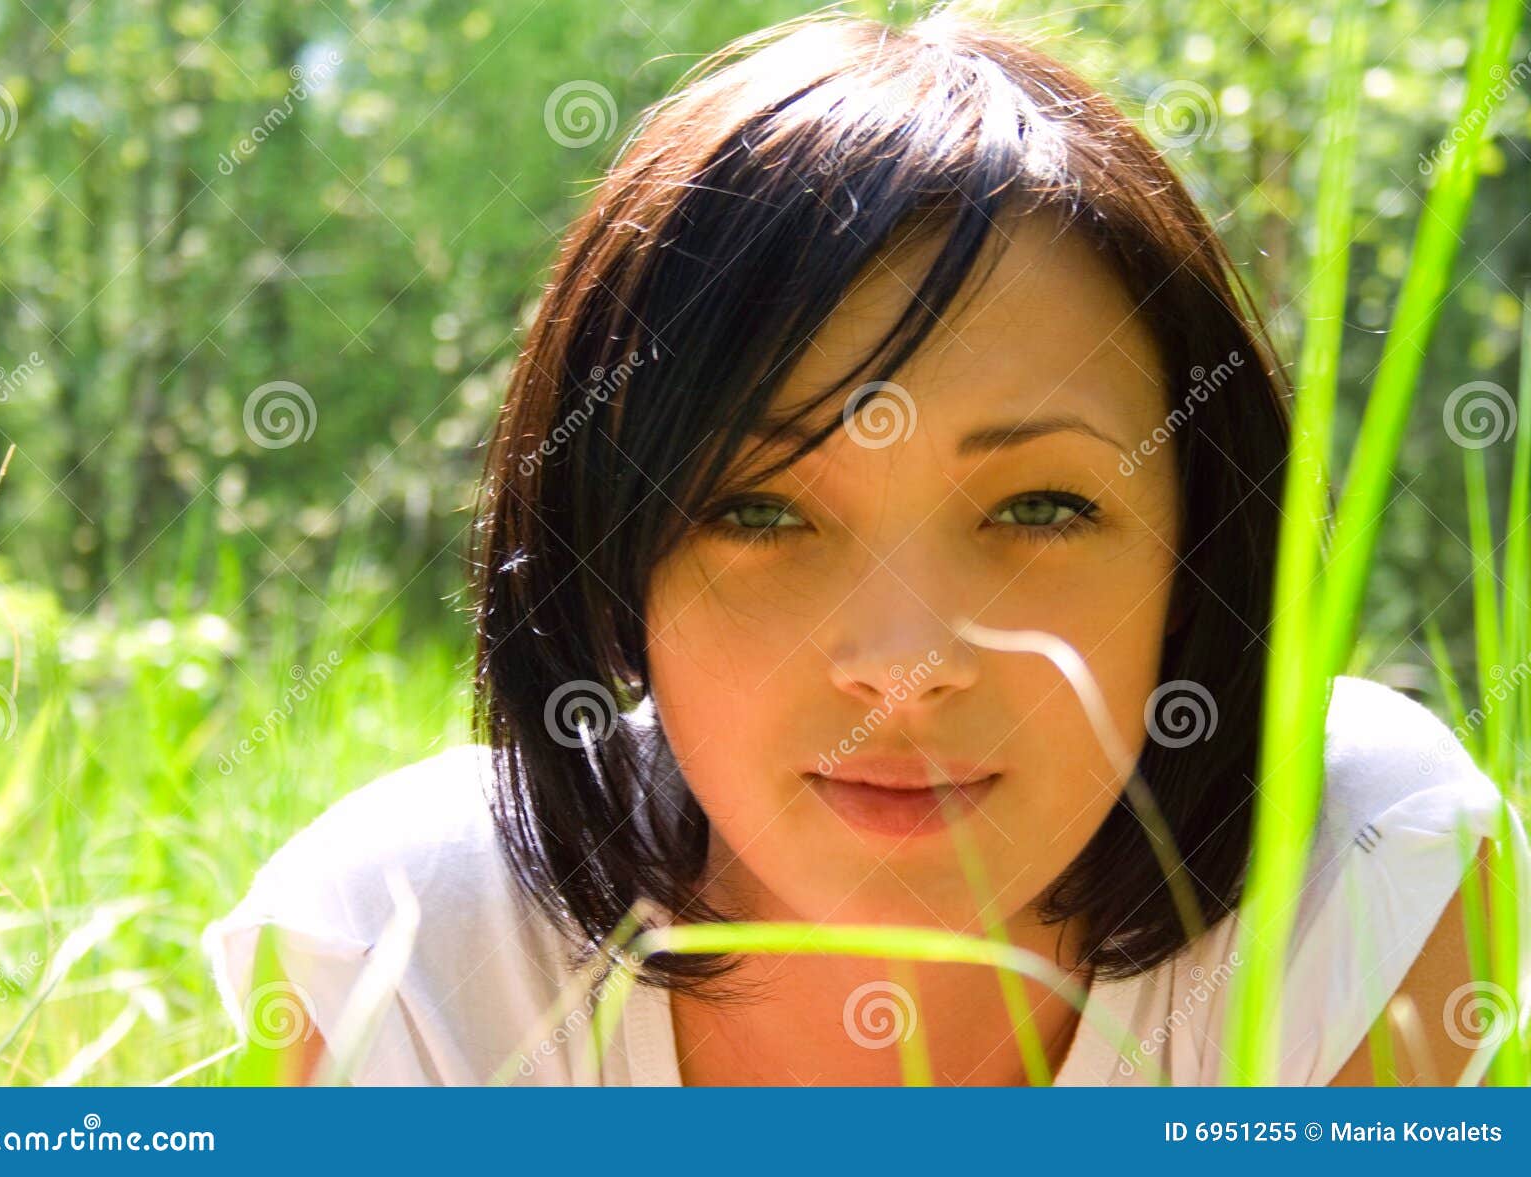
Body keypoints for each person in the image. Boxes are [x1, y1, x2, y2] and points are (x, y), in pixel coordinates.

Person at [202, 9, 1531, 1086]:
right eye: (761, 510)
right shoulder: (409, 960)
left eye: (1040, 509)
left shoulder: (1354, 879)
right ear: (610, 556)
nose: (906, 662)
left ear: (1199, 553)